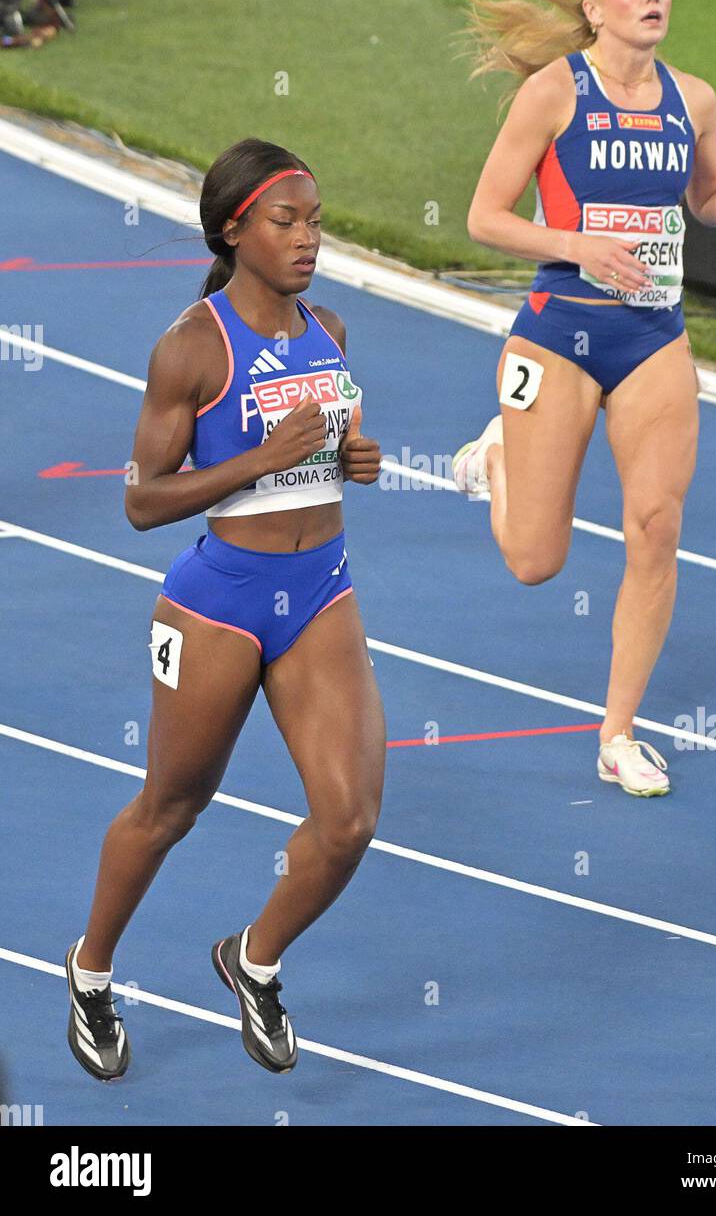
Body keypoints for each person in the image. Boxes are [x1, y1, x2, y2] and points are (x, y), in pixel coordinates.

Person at [451, 0, 716, 797]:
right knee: (534, 561)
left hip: (654, 335)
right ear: (592, 3)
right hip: (560, 335)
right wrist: (572, 241)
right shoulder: (553, 93)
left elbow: (707, 203)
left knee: (655, 528)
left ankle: (616, 733)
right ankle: (499, 458)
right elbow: (482, 215)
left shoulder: (690, 98)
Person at [66, 138, 385, 1080]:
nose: (308, 239)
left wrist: (347, 462)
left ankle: (254, 958)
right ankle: (90, 970)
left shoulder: (328, 328)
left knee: (349, 822)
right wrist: (260, 457)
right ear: (234, 229)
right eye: (287, 222)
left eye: (316, 221)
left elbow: (320, 456)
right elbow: (140, 500)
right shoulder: (191, 347)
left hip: (321, 590)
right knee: (173, 805)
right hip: (219, 604)